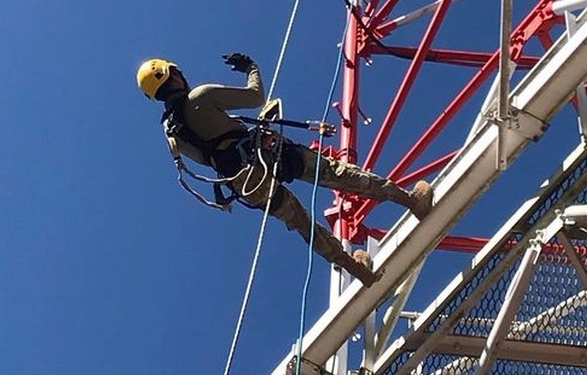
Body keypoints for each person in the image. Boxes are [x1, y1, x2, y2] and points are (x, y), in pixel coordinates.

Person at [136, 54, 434, 287]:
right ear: (171, 75)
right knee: (337, 174)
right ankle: (410, 201)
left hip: (246, 185)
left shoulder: (172, 134)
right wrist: (251, 67)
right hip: (267, 154)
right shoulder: (199, 97)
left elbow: (205, 160)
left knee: (302, 224)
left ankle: (358, 271)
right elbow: (255, 97)